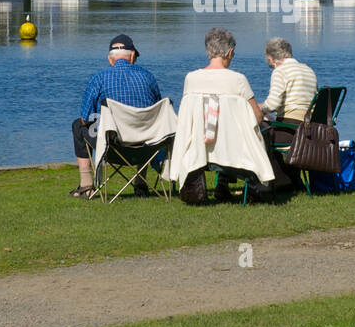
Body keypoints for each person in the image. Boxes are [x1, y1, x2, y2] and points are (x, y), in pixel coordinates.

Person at [181, 27, 271, 198]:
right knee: (241, 131)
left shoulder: (191, 78)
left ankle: (221, 184)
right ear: (229, 53)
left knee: (222, 129)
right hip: (233, 151)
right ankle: (256, 186)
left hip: (199, 149)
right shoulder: (238, 80)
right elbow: (257, 117)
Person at [71, 34, 162, 199]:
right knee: (145, 125)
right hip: (145, 147)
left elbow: (84, 118)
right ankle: (141, 183)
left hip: (112, 147)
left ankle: (86, 186)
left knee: (78, 125)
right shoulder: (149, 78)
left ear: (110, 59)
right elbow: (158, 114)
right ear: (132, 56)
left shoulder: (99, 78)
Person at [260, 38, 318, 124]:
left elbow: (273, 104)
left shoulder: (280, 71)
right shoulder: (309, 70)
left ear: (271, 60)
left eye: (270, 66)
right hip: (311, 124)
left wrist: (259, 108)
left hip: (290, 125)